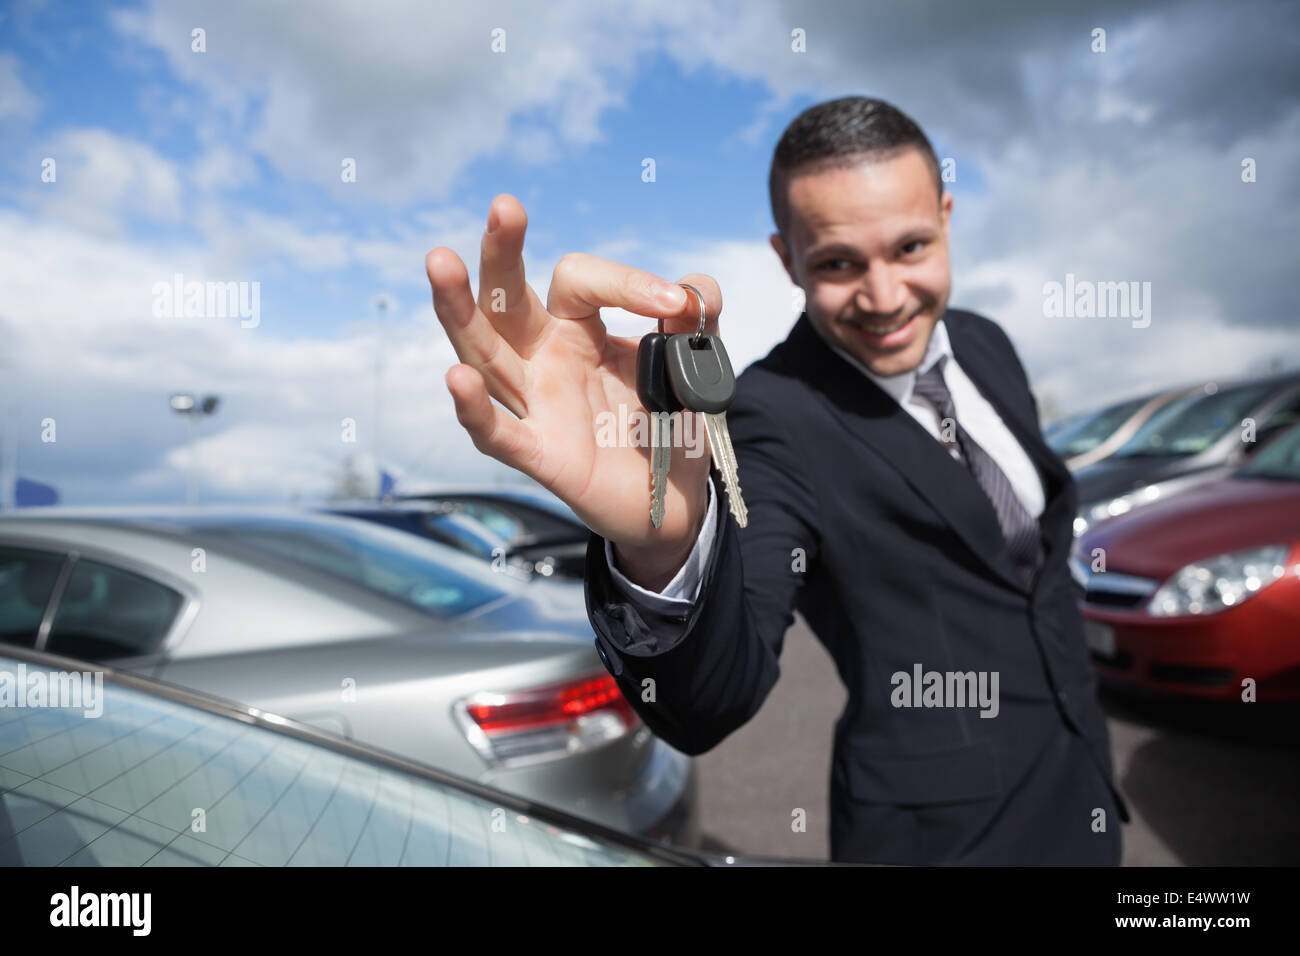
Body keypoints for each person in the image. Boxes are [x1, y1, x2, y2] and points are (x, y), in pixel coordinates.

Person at [426, 95, 1129, 865]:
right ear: (786, 258)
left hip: (1084, 790)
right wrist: (666, 543)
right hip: (941, 839)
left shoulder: (989, 346)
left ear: (947, 217)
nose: (885, 296)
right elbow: (714, 699)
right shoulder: (772, 415)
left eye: (911, 248)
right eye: (837, 263)